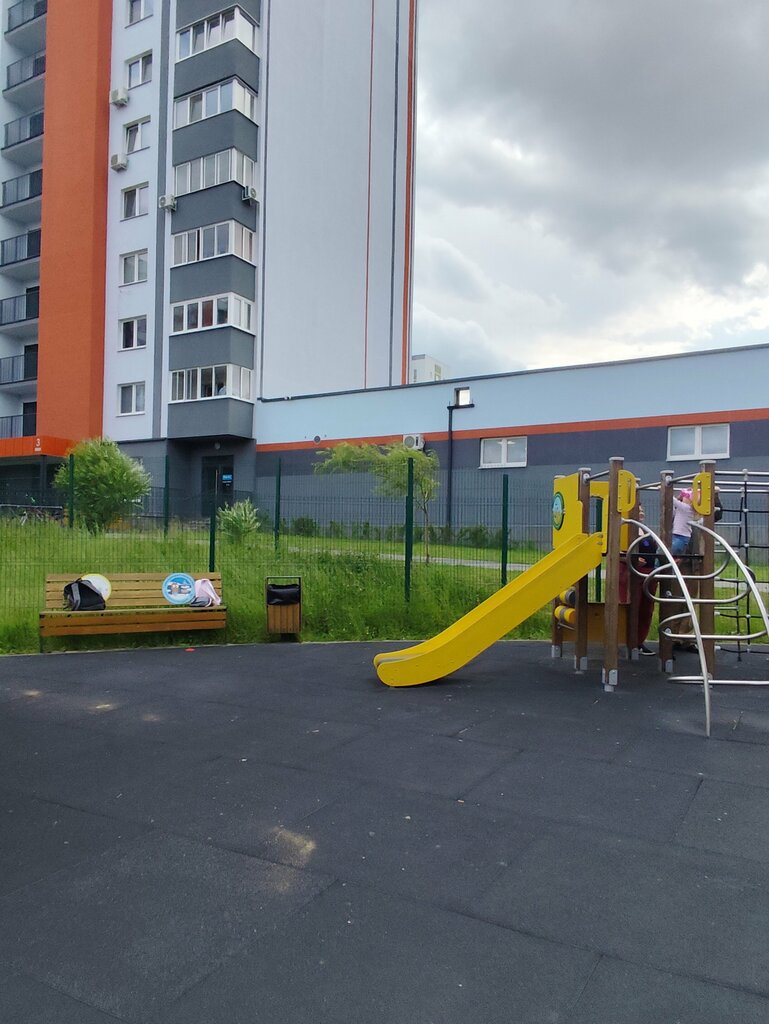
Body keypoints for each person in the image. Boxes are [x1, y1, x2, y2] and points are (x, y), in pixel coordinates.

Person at [620, 505, 659, 655]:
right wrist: (630, 559)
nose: (642, 513)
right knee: (632, 607)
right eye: (639, 510)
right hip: (633, 573)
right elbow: (615, 552)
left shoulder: (645, 530)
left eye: (643, 510)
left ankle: (639, 641)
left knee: (646, 609)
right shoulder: (625, 530)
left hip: (649, 573)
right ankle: (629, 640)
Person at [671, 488, 696, 557]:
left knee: (671, 554)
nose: (682, 498)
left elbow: (673, 500)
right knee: (672, 554)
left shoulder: (687, 508)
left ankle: (659, 566)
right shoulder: (682, 509)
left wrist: (667, 490)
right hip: (678, 535)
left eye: (684, 497)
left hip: (681, 536)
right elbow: (673, 513)